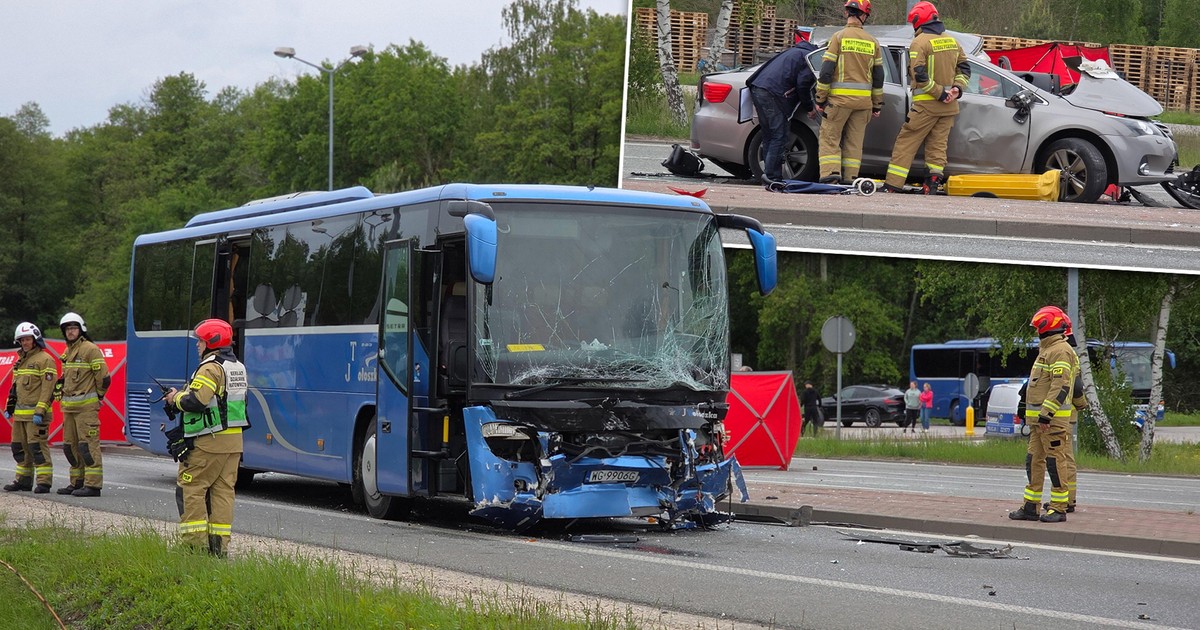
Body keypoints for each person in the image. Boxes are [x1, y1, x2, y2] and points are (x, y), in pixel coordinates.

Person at [164, 318, 249, 556]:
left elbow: (197, 401)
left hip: (208, 442)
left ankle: (194, 547)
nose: (198, 346)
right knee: (223, 493)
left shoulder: (210, 367)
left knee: (192, 488)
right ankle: (218, 548)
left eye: (200, 341)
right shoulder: (237, 367)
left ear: (211, 342)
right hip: (233, 443)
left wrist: (175, 399)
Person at [881, 1, 970, 194]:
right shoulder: (952, 41)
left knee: (906, 142)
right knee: (938, 146)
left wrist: (940, 93)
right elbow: (965, 68)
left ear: (917, 21)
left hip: (926, 106)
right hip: (949, 107)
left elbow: (919, 75)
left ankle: (892, 186)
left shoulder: (919, 42)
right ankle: (932, 183)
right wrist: (957, 89)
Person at [1009, 306, 1078, 523]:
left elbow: (1061, 385)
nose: (1036, 331)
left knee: (1054, 463)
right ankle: (1031, 507)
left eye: (1038, 327)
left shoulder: (1060, 350)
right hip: (1038, 422)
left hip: (1051, 421)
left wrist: (1047, 414)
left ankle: (1058, 508)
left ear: (1048, 327)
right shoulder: (1046, 350)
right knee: (1033, 461)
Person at [813, 0, 884, 185]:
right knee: (854, 143)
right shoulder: (873, 42)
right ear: (864, 15)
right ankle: (851, 178)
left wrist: (820, 99)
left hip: (839, 102)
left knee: (830, 138)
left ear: (847, 13)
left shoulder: (838, 37)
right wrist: (877, 104)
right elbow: (878, 77)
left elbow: (826, 71)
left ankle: (830, 175)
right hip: (863, 105)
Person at [746, 25, 818, 186]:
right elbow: (803, 84)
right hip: (773, 94)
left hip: (759, 88)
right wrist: (810, 107)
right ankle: (773, 178)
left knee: (769, 135)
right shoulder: (809, 58)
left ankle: (767, 175)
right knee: (780, 135)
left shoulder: (795, 52)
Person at [56, 312, 110, 497]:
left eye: (74, 328)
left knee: (88, 446)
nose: (71, 332)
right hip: (69, 409)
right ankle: (77, 482)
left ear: (81, 329)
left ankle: (93, 485)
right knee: (70, 447)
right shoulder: (68, 352)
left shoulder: (90, 349)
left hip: (86, 409)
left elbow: (104, 378)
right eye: (68, 329)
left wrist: (98, 397)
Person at [3, 323, 58, 494]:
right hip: (20, 416)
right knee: (19, 449)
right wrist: (9, 407)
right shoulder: (21, 361)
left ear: (35, 340)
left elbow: (49, 389)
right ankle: (23, 481)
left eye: (27, 339)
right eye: (22, 340)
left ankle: (44, 482)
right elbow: (15, 388)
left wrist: (40, 411)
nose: (25, 343)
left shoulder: (45, 360)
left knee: (37, 449)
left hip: (36, 416)